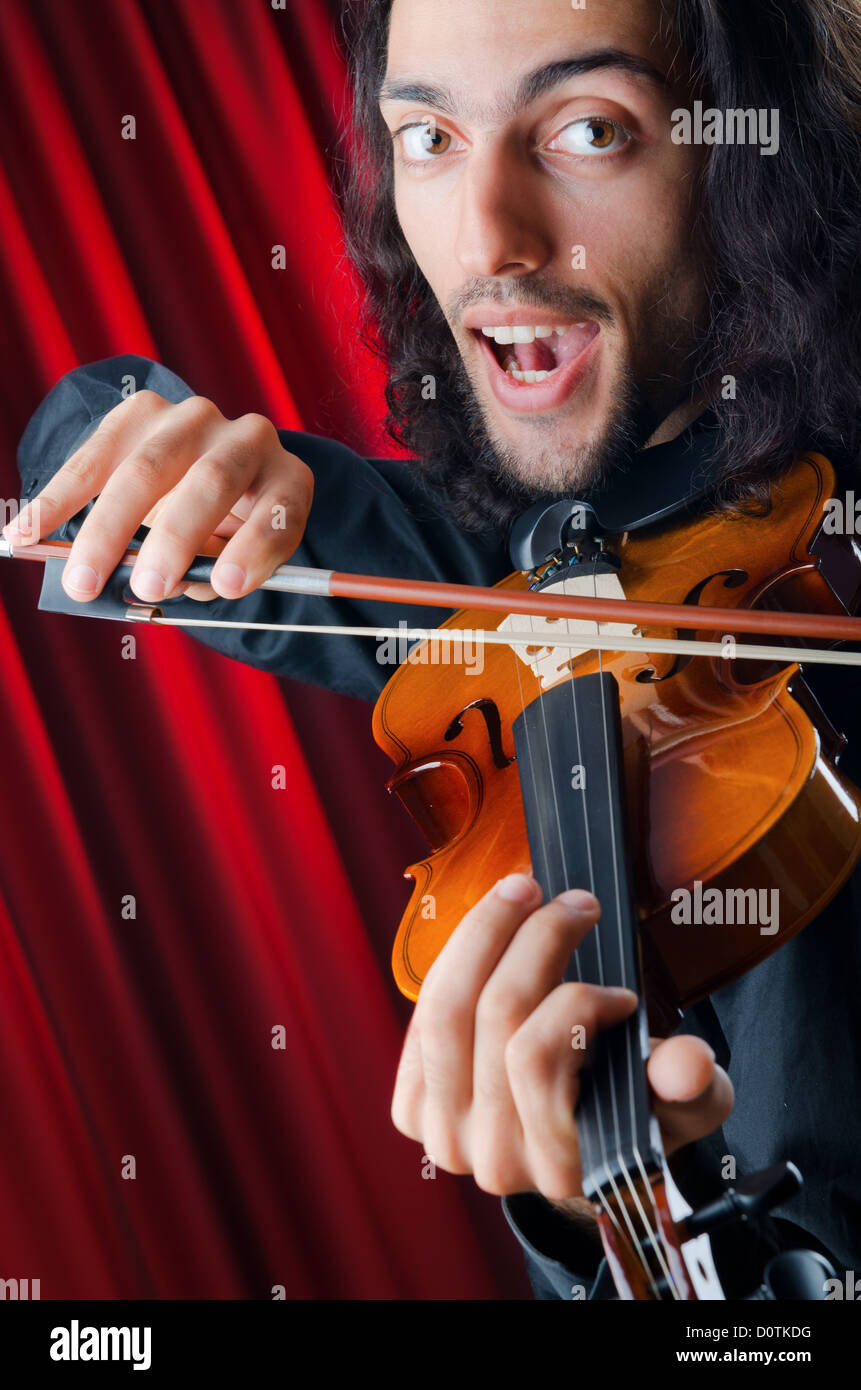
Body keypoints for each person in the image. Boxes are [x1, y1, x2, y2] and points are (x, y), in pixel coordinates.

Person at [13, 0, 861, 1298]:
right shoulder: (509, 566)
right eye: (428, 136)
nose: (486, 243)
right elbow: (93, 441)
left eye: (586, 128)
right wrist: (598, 1227)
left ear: (760, 153)